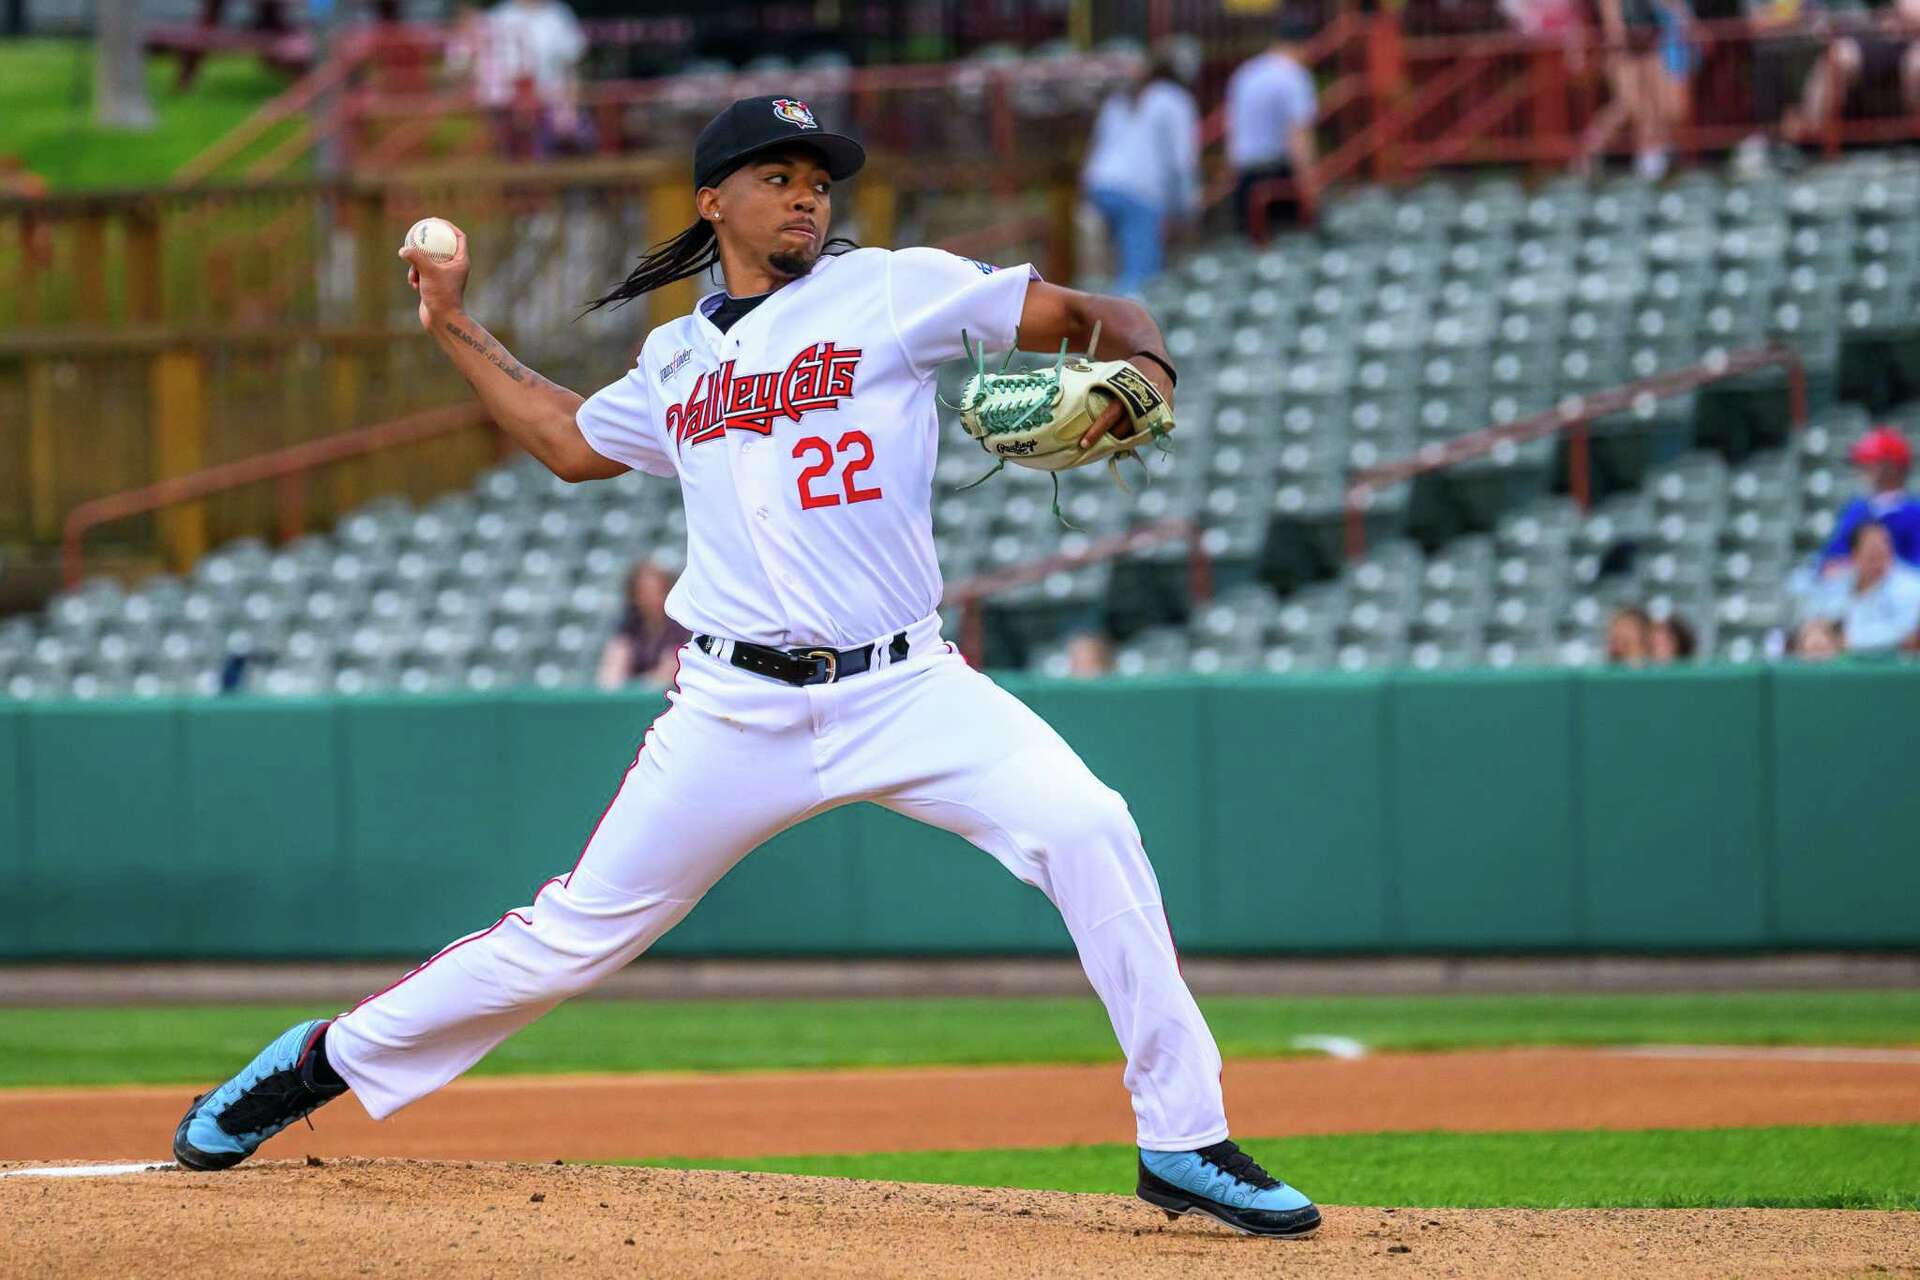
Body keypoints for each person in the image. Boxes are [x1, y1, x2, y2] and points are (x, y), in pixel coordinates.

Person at [170, 94, 1320, 1240]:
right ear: (713, 200)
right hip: (733, 706)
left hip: (908, 685)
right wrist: (451, 321)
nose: (808, 191)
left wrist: (1152, 371)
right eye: (778, 174)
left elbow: (1097, 309)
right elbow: (571, 440)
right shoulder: (675, 356)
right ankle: (315, 1062)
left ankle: (1183, 1134)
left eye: (819, 177)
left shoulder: (892, 289)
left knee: (1091, 824)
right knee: (569, 936)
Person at [1080, 53, 1201, 297]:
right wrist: (1187, 207)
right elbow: (1180, 161)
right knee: (1140, 280)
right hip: (1138, 191)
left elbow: (1096, 146)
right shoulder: (1176, 101)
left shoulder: (1120, 99)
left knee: (1104, 275)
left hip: (1098, 186)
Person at [1224, 18, 1319, 238]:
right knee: (1287, 255)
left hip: (1245, 176)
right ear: (1301, 45)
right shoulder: (1293, 76)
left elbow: (1234, 129)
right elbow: (1298, 135)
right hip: (1277, 177)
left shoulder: (1245, 73)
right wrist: (1309, 186)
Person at [476, 0, 589, 159]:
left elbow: (571, 69)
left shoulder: (559, 14)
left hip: (552, 104)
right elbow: (486, 76)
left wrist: (569, 111)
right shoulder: (497, 17)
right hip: (508, 108)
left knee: (581, 139)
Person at [1820, 425, 1920, 570]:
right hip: (1852, 589)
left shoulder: (1914, 513)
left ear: (1891, 467)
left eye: (1870, 463)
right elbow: (1830, 560)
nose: (1863, 469)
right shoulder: (1856, 509)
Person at [1814, 520, 1920, 652]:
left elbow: (1905, 635)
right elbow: (1821, 620)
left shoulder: (1910, 586)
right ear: (1855, 556)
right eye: (1872, 555)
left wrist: (1846, 641)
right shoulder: (1840, 582)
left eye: (1884, 552)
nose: (1879, 561)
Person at [596, 560, 693, 688]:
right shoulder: (629, 626)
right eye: (643, 592)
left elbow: (669, 671)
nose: (650, 598)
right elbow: (610, 676)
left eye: (656, 591)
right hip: (633, 691)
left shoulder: (681, 626)